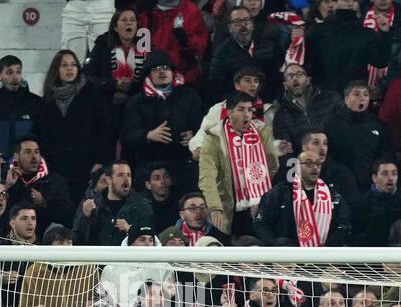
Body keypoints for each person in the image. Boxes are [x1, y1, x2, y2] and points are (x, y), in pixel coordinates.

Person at [119, 51, 205, 193]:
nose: (161, 72)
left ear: (173, 72)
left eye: (165, 67)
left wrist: (195, 136)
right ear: (148, 74)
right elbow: (126, 135)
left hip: (184, 166)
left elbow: (205, 127)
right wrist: (148, 135)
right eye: (156, 69)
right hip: (149, 167)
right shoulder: (136, 101)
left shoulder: (190, 96)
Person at [199, 92, 278, 238]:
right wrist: (215, 207)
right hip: (228, 207)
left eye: (250, 110)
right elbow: (207, 177)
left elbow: (272, 165)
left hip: (258, 207)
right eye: (241, 109)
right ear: (229, 112)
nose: (247, 114)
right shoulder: (214, 138)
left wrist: (260, 194)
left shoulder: (262, 131)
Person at [38, 51, 115, 198]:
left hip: (87, 164)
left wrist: (101, 161)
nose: (70, 69)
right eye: (64, 65)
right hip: (57, 167)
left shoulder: (92, 94)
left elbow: (106, 131)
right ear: (56, 69)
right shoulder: (47, 101)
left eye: (73, 65)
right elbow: (44, 134)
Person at [253, 149, 352, 246]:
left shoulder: (331, 194)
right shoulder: (281, 191)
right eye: (309, 163)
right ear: (297, 167)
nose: (315, 167)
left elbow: (344, 224)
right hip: (286, 257)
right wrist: (277, 246)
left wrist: (329, 248)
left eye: (318, 164)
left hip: (323, 257)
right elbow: (261, 223)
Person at [2, 137, 74, 236]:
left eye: (36, 152)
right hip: (9, 238)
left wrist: (43, 203)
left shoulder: (56, 181)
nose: (34, 157)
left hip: (44, 241)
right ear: (16, 156)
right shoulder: (3, 177)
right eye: (28, 152)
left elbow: (67, 216)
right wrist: (7, 187)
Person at [73, 161, 153, 246]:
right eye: (120, 175)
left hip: (127, 258)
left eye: (129, 175)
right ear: (109, 180)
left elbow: (150, 242)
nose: (126, 179)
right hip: (97, 258)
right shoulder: (90, 204)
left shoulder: (142, 206)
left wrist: (130, 230)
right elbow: (77, 240)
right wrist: (85, 218)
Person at [272, 64, 345, 157]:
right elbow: (285, 145)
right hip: (305, 162)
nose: (295, 78)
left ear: (307, 80)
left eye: (299, 75)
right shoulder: (281, 114)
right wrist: (285, 147)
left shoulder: (330, 99)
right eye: (290, 76)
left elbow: (346, 123)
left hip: (337, 156)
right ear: (285, 85)